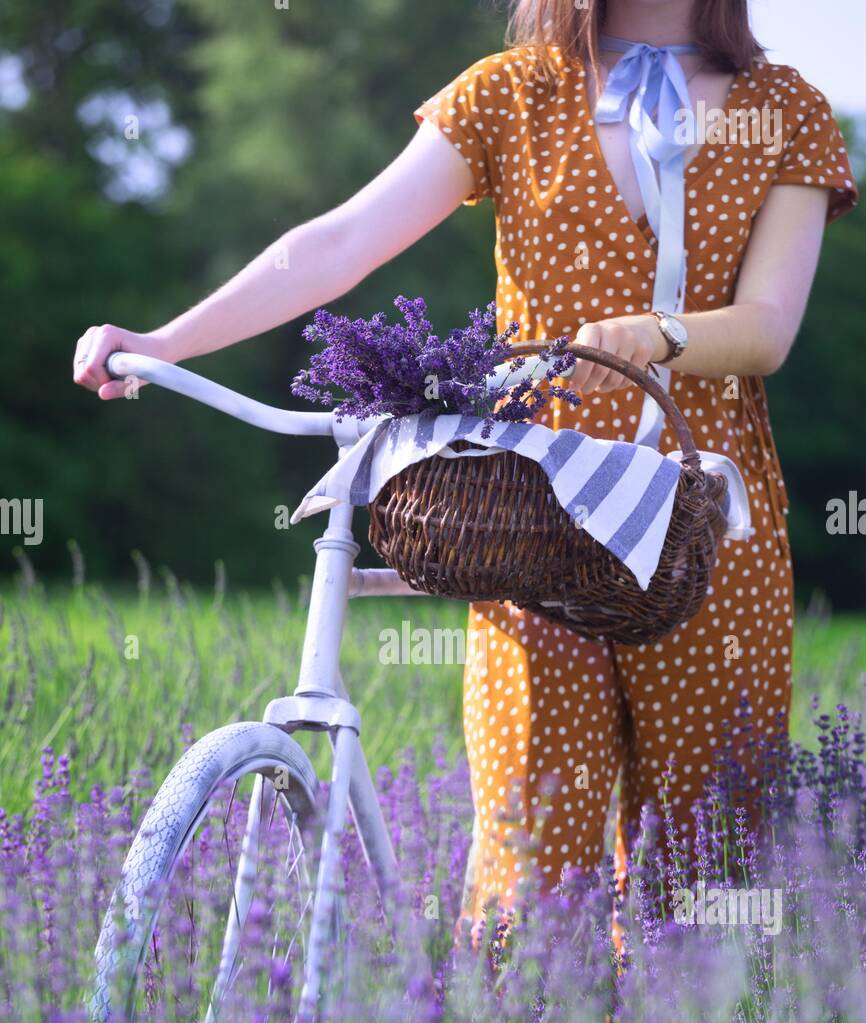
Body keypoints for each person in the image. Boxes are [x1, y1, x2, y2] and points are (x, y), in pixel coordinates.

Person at [74, 0, 858, 940]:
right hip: (535, 524)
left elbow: (768, 329)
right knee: (530, 870)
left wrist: (659, 335)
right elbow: (338, 241)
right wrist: (166, 341)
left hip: (707, 529)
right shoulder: (512, 91)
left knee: (709, 875)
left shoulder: (787, 107)